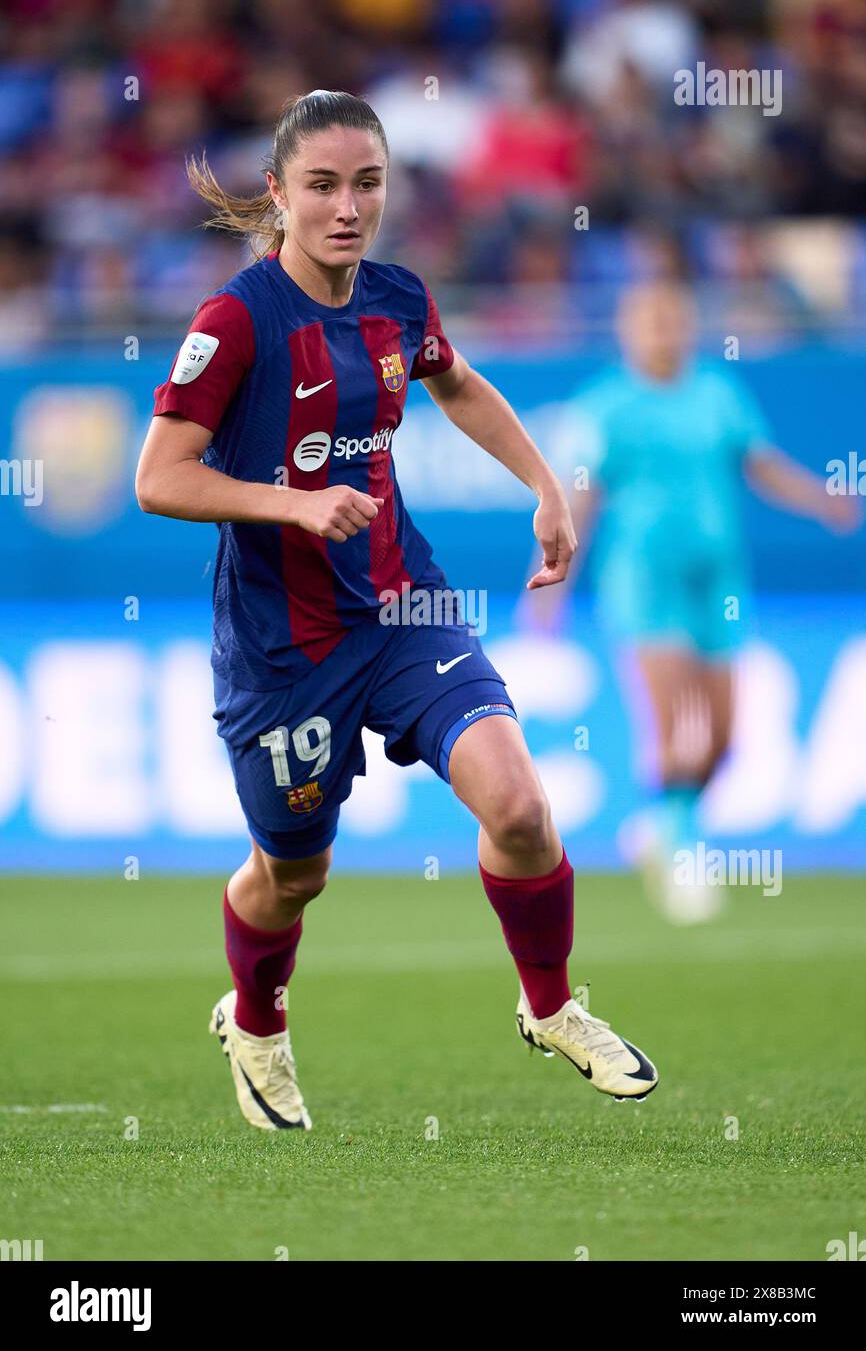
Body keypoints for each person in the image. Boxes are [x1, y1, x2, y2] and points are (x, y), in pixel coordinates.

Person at [135, 90, 659, 1130]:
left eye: (365, 182)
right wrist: (290, 500)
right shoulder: (236, 320)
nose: (346, 206)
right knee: (294, 877)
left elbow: (454, 383)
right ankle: (257, 1020)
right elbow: (158, 477)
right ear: (278, 195)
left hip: (404, 608)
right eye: (322, 185)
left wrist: (544, 485)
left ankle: (550, 1005)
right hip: (284, 650)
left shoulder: (397, 300)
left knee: (517, 804)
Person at [525, 279, 861, 923]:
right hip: (647, 584)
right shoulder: (606, 407)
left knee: (725, 738)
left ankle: (663, 827)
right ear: (627, 331)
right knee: (677, 727)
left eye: (673, 319)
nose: (663, 331)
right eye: (650, 320)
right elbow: (580, 497)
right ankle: (679, 854)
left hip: (719, 582)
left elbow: (757, 464)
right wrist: (554, 576)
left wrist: (822, 499)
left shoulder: (716, 393)